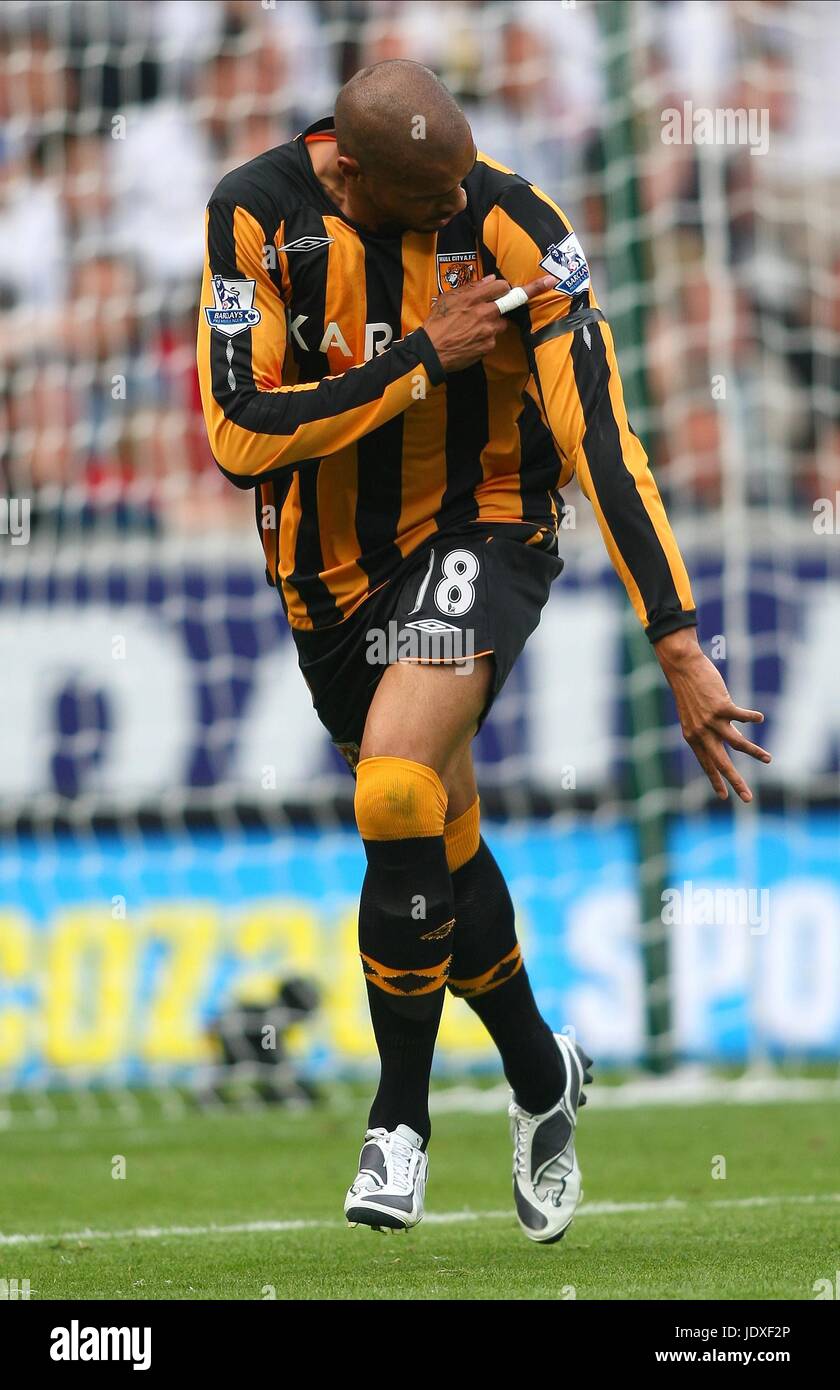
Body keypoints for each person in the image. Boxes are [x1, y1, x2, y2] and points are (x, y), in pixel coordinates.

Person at [197, 60, 770, 1243]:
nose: (457, 204)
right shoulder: (253, 216)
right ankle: (539, 1071)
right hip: (325, 575)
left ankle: (398, 1122)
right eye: (429, 193)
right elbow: (239, 434)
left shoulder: (521, 230)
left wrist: (676, 635)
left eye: (465, 176)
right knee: (434, 830)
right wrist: (421, 360)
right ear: (349, 172)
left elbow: (597, 429)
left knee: (396, 783)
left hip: (487, 527)